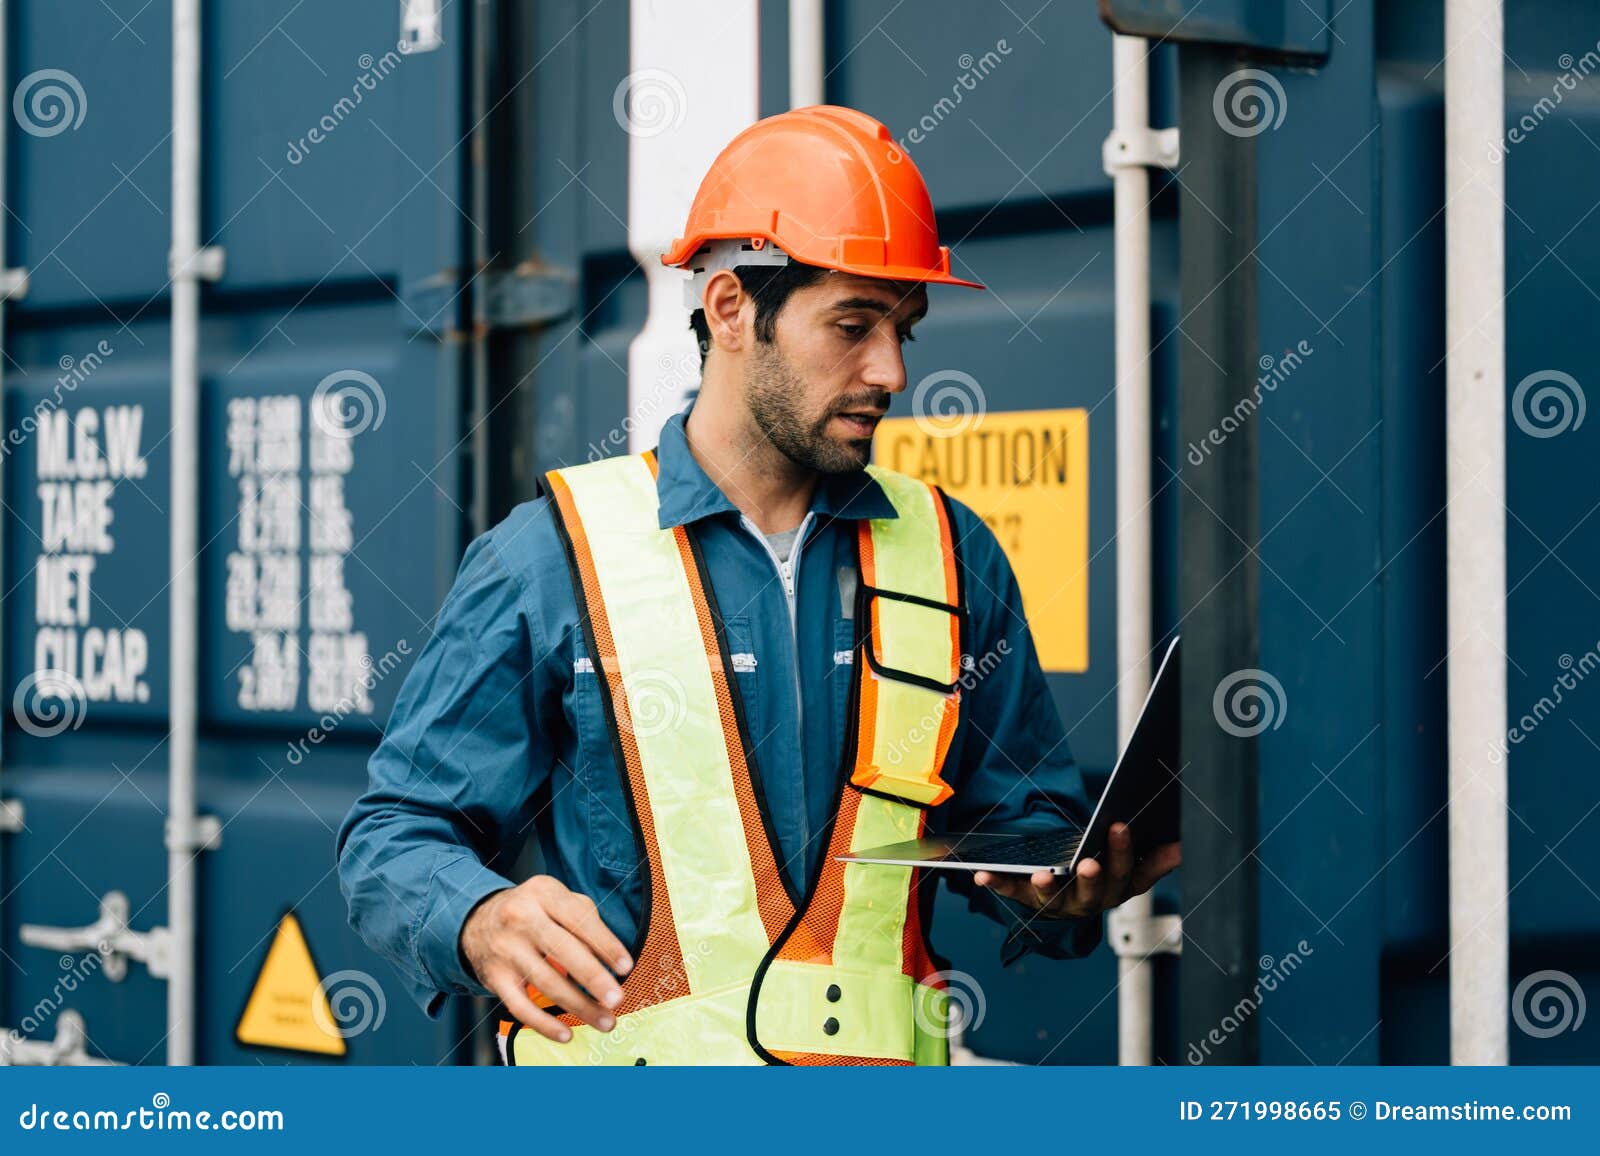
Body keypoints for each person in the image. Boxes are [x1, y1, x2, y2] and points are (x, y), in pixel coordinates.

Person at [337, 105, 1180, 1066]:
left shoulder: (953, 553)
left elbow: (1021, 825)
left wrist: (1062, 885)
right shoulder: (548, 561)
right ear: (733, 308)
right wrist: (478, 914)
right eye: (853, 325)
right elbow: (392, 839)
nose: (892, 371)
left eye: (905, 328)